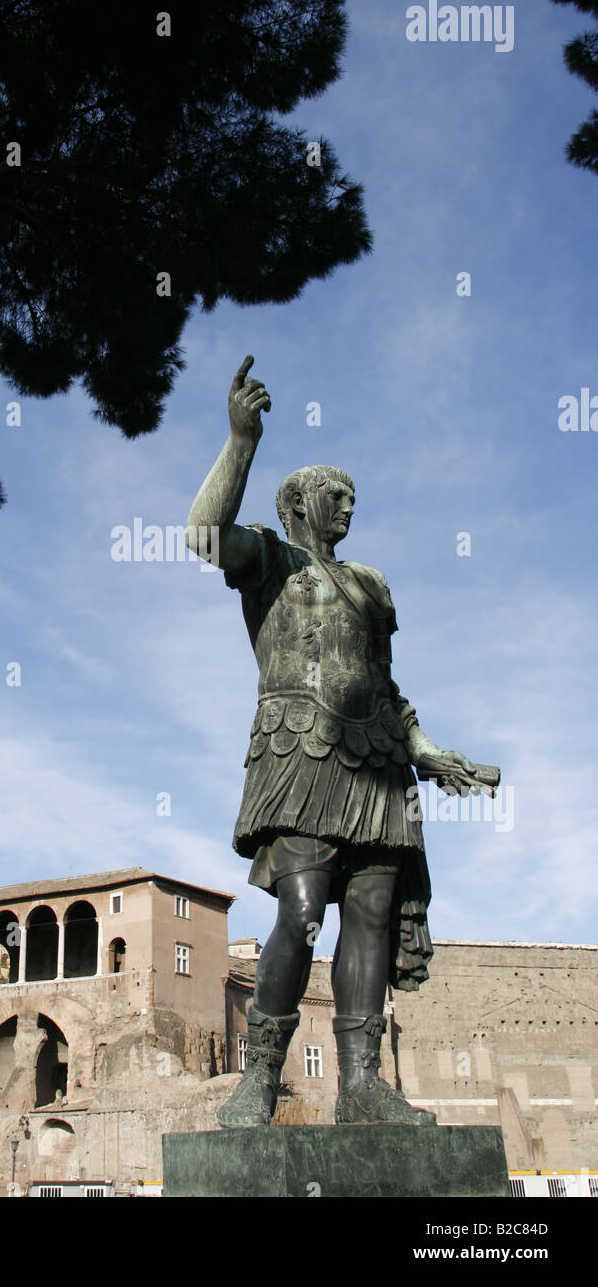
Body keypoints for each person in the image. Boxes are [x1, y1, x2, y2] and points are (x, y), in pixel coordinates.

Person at [186, 357, 499, 1127]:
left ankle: (361, 1082)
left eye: (355, 497)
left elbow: (385, 683)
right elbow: (201, 534)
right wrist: (240, 442)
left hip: (378, 763)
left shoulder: (371, 584)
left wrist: (427, 749)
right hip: (301, 753)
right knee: (300, 910)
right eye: (337, 495)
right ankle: (259, 1075)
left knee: (369, 912)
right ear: (298, 504)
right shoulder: (270, 558)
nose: (350, 506)